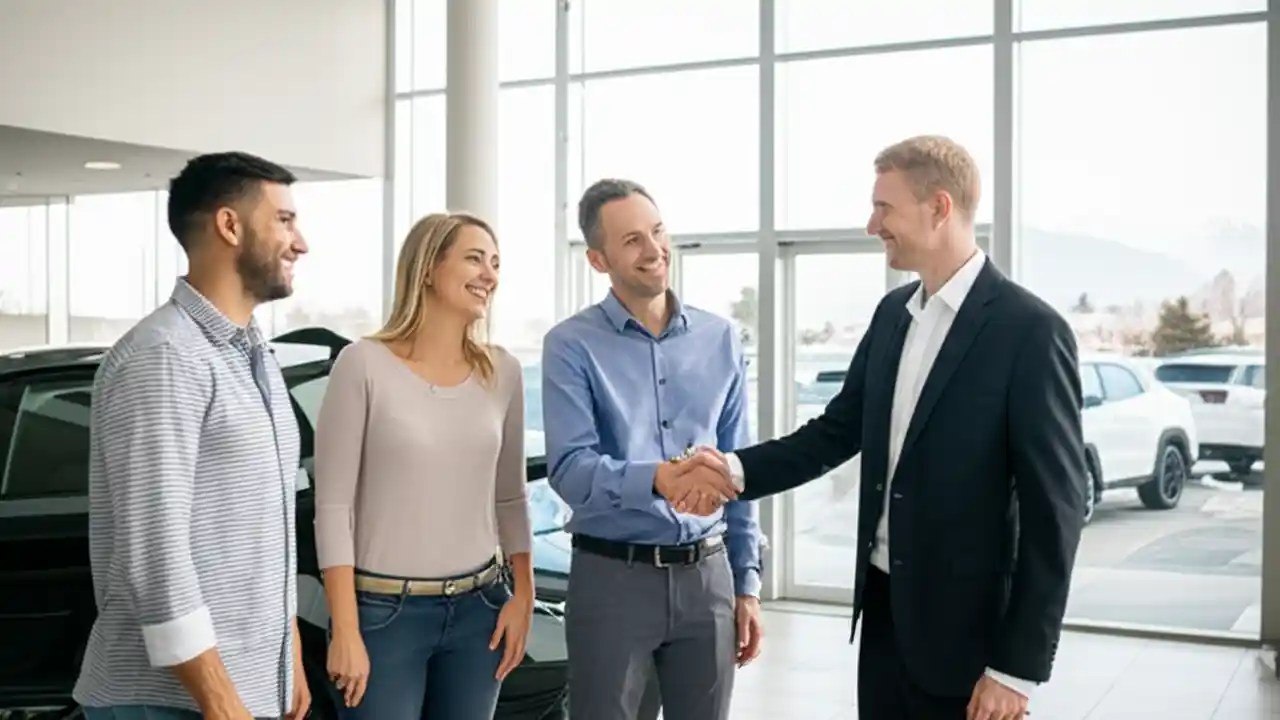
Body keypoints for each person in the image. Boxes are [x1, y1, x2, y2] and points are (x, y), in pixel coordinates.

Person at [670, 135, 1087, 720]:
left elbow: (1056, 514)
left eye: (883, 208)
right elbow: (837, 431)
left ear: (939, 207)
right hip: (886, 618)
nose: (872, 226)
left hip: (972, 644)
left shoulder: (1031, 332)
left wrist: (1015, 670)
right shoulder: (894, 315)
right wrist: (733, 470)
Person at [72, 152, 312, 720]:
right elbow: (155, 554)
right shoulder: (164, 356)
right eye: (284, 220)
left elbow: (265, 531)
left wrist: (289, 659)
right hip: (171, 702)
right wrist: (220, 700)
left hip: (247, 690)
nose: (300, 243)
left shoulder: (253, 355)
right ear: (230, 225)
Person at [541, 178, 765, 720]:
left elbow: (739, 467)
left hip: (708, 579)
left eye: (658, 232)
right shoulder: (570, 345)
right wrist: (657, 478)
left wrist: (747, 582)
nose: (654, 249)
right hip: (612, 581)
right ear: (598, 260)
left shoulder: (720, 338)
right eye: (632, 240)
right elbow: (570, 469)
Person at [313, 212, 534, 720]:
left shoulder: (503, 372)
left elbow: (510, 496)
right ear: (428, 268)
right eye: (475, 259)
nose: (490, 274)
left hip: (481, 611)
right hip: (384, 616)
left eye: (496, 263)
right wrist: (345, 629)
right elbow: (334, 507)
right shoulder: (362, 364)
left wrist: (522, 596)